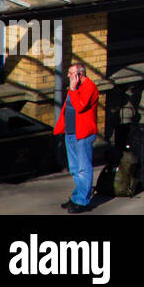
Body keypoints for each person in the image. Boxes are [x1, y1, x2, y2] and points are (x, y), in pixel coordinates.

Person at [53, 62, 99, 214]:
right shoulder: (75, 86)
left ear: (80, 74)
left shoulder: (89, 87)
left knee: (83, 168)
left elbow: (80, 106)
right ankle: (77, 196)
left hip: (83, 133)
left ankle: (82, 201)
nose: (68, 76)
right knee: (74, 168)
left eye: (71, 73)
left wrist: (72, 89)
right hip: (71, 132)